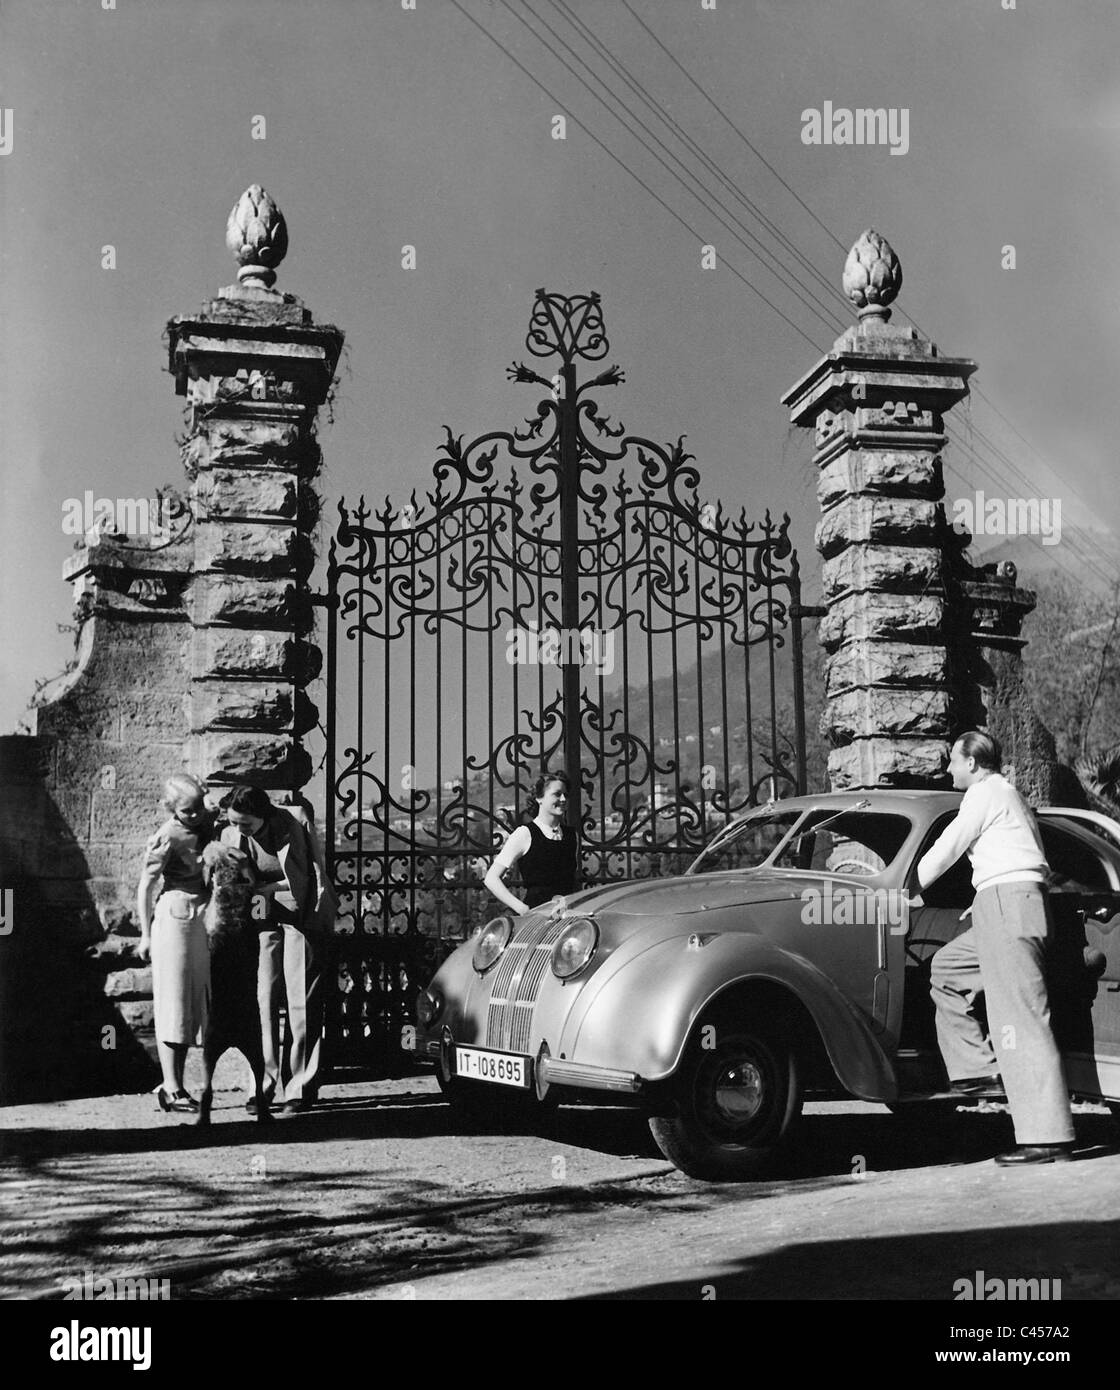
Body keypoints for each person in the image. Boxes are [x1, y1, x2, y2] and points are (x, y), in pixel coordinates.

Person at [915, 731, 1076, 1165]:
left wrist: (910, 888)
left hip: (1008, 904)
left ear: (973, 762)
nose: (948, 768)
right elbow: (1014, 853)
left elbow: (950, 845)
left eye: (953, 760)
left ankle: (1048, 1138)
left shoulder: (985, 793)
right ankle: (979, 1071)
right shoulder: (1010, 796)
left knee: (1021, 1018)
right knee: (948, 969)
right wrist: (983, 899)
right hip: (1005, 903)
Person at [218, 786, 336, 1114]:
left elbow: (314, 871)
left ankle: (300, 1086)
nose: (240, 829)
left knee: (302, 1002)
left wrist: (271, 888)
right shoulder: (230, 835)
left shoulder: (294, 821)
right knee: (262, 1000)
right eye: (235, 823)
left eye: (246, 824)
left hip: (301, 915)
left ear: (264, 815)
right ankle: (262, 1082)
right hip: (259, 919)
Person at [136, 773, 214, 1112]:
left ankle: (186, 1084)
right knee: (175, 1001)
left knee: (202, 1000)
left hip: (206, 914)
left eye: (198, 807)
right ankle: (171, 1086)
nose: (194, 815)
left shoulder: (209, 821)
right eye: (187, 810)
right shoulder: (166, 837)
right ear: (171, 809)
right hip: (176, 916)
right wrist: (145, 934)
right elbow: (146, 885)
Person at [485, 770, 578, 915]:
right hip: (536, 919)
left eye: (566, 794)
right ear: (539, 798)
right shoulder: (524, 834)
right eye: (557, 794)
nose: (564, 799)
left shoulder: (572, 835)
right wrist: (521, 908)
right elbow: (491, 878)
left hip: (568, 919)